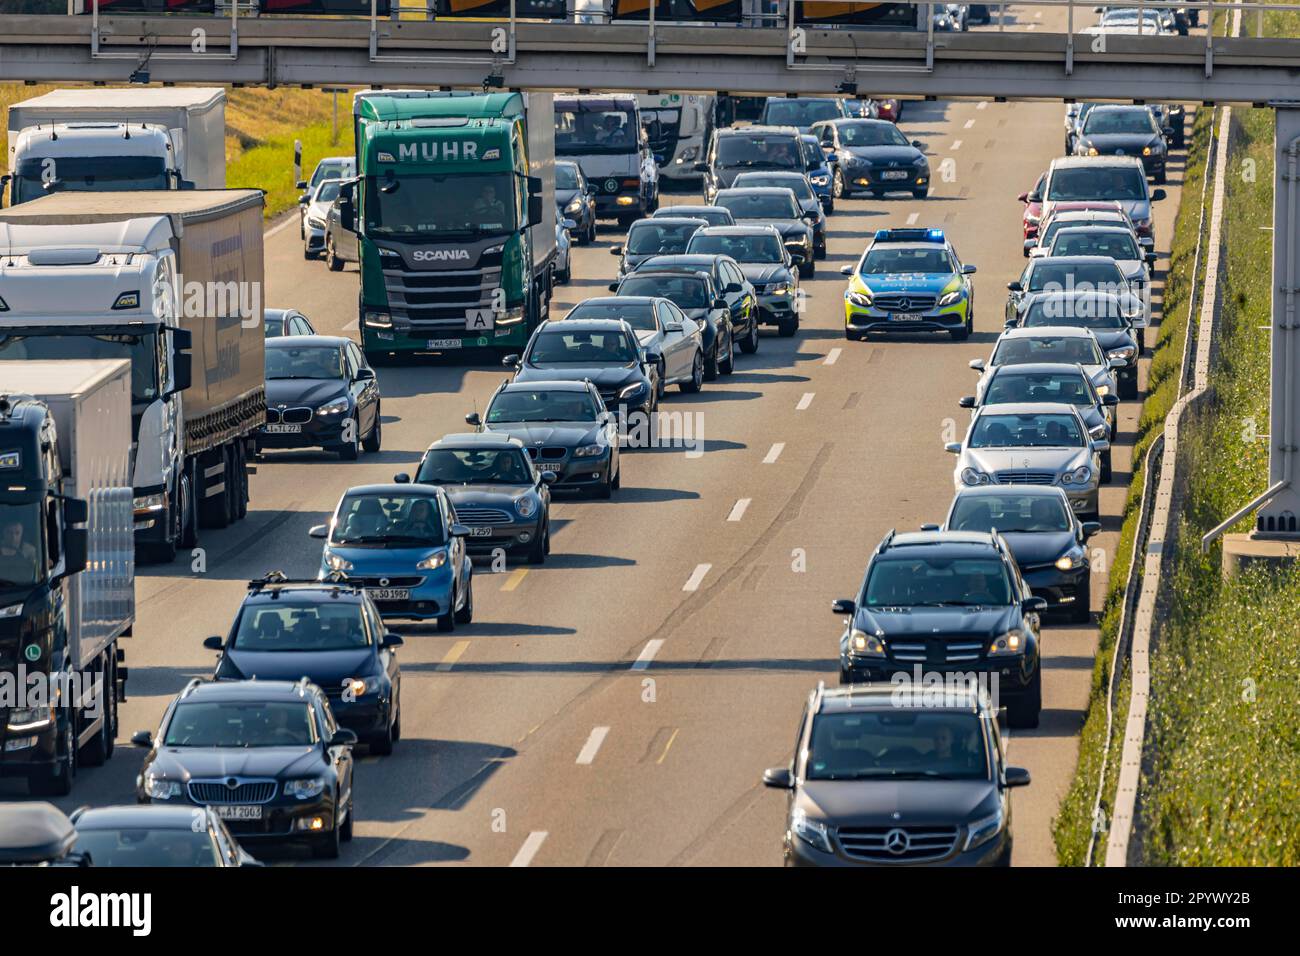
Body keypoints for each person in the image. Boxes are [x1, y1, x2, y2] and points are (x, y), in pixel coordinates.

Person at [0, 517, 38, 583]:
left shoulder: (30, 551)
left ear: (22, 534)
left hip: (23, 586)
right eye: (9, 532)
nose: (13, 537)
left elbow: (38, 566)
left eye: (17, 533)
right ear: (4, 532)